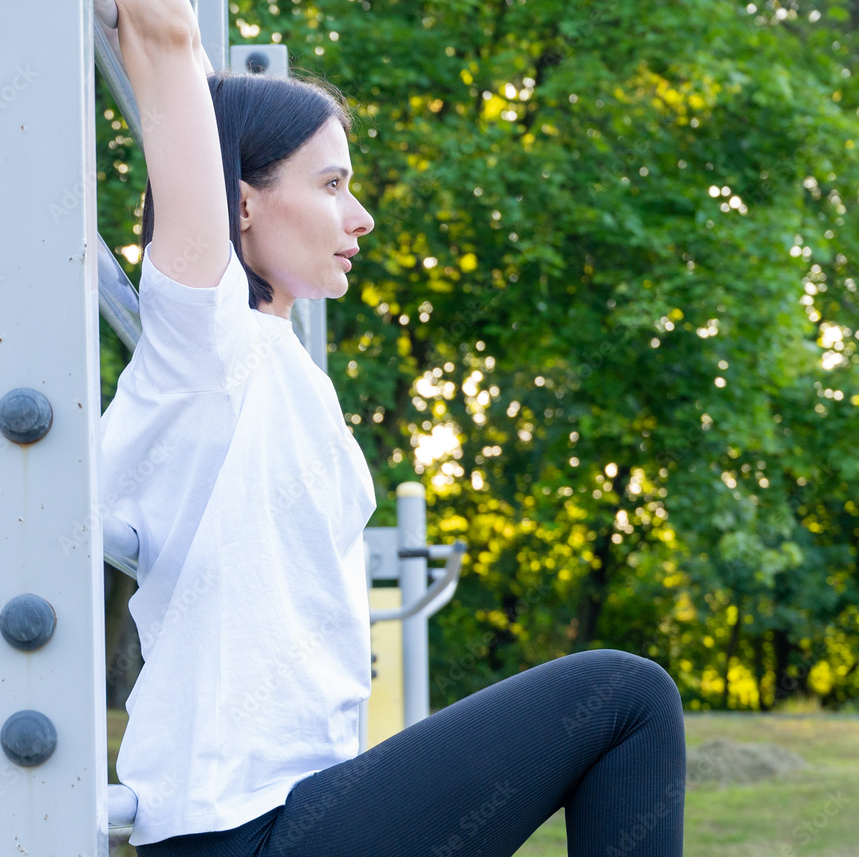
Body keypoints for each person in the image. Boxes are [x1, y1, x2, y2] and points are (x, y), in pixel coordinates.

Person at [99, 1, 687, 855]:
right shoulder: (203, 344)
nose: (361, 214)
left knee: (625, 703)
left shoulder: (285, 367)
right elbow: (164, 35)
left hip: (313, 807)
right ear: (242, 204)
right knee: (627, 697)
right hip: (243, 831)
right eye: (331, 184)